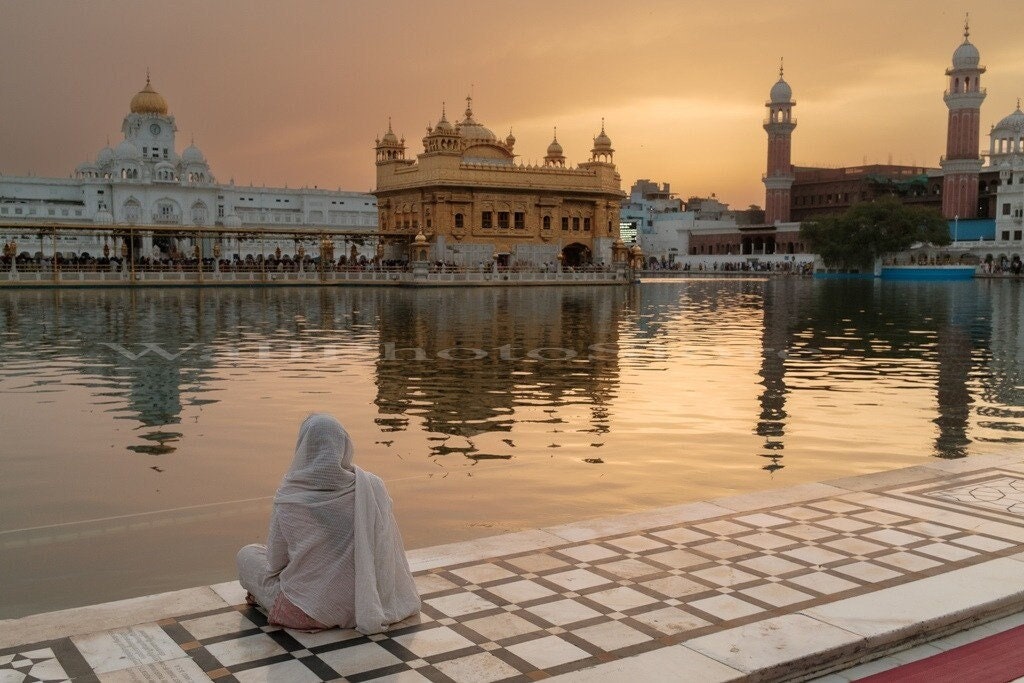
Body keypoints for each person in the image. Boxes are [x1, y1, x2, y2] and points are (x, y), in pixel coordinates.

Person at [236, 413, 420, 633]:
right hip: (367, 601)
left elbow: (275, 562)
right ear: (344, 446)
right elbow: (385, 551)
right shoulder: (371, 486)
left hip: (307, 610)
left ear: (304, 448)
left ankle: (269, 600)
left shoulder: (290, 495)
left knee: (248, 555)